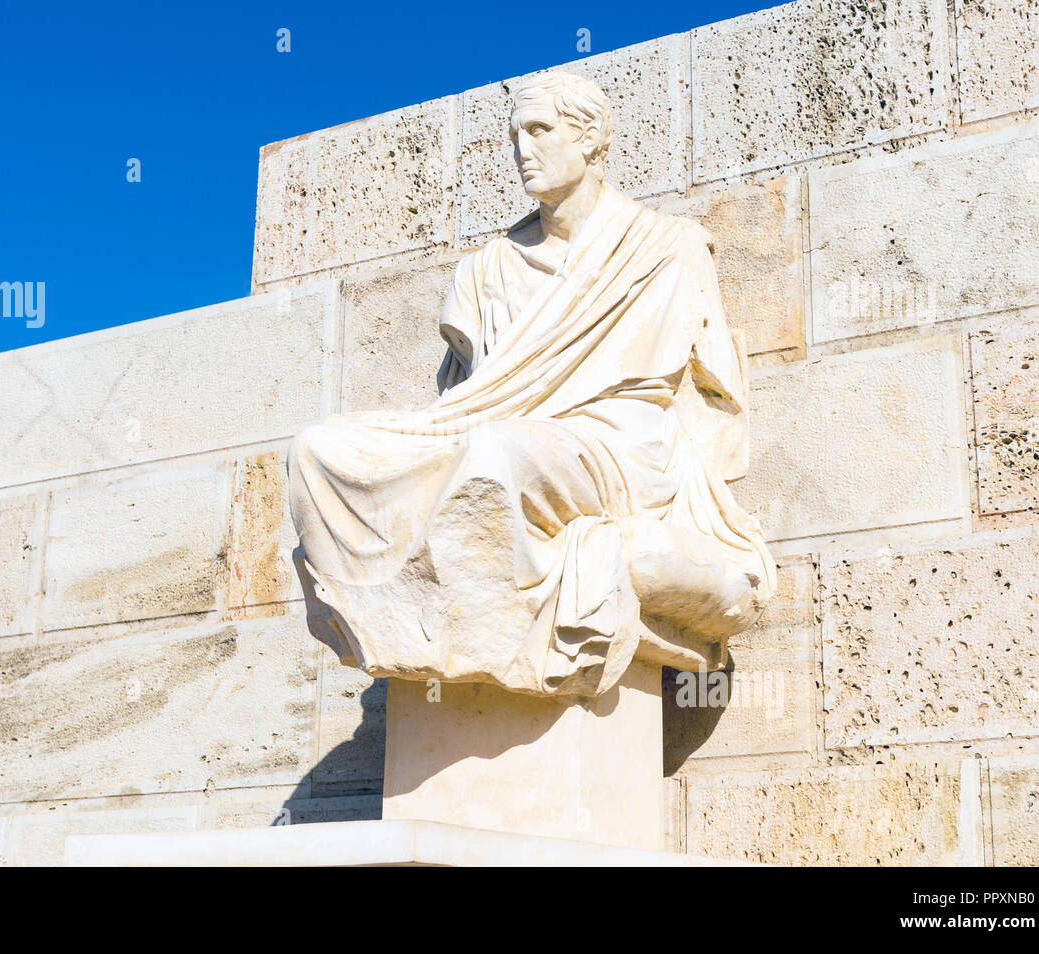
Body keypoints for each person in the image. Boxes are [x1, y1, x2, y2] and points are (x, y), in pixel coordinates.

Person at [288, 71, 775, 698]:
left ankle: (503, 624)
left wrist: (697, 499)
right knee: (319, 448)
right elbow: (464, 399)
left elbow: (716, 398)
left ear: (592, 138)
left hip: (621, 448)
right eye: (515, 133)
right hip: (502, 429)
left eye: (541, 130)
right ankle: (410, 623)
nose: (523, 149)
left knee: (497, 453)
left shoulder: (665, 247)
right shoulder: (486, 269)